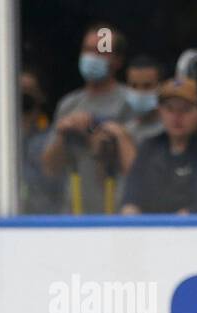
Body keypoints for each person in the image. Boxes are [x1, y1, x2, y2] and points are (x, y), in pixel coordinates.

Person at [41, 22, 133, 214]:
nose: (92, 57)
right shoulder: (69, 105)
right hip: (74, 214)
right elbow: (49, 169)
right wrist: (62, 133)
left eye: (100, 51)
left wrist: (112, 135)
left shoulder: (130, 102)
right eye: (87, 50)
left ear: (117, 60)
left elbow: (139, 169)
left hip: (118, 214)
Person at [120, 78, 197, 215]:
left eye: (185, 109)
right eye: (170, 109)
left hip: (194, 231)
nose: (176, 116)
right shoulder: (149, 147)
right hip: (149, 231)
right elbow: (132, 197)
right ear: (160, 112)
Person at [19, 68, 64, 214]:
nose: (23, 96)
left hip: (46, 219)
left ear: (41, 95)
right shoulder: (0, 138)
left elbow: (54, 177)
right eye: (19, 90)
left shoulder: (52, 138)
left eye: (28, 91)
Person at [122, 55, 164, 145]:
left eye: (147, 86)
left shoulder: (173, 130)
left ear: (161, 87)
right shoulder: (125, 132)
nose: (140, 92)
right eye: (134, 86)